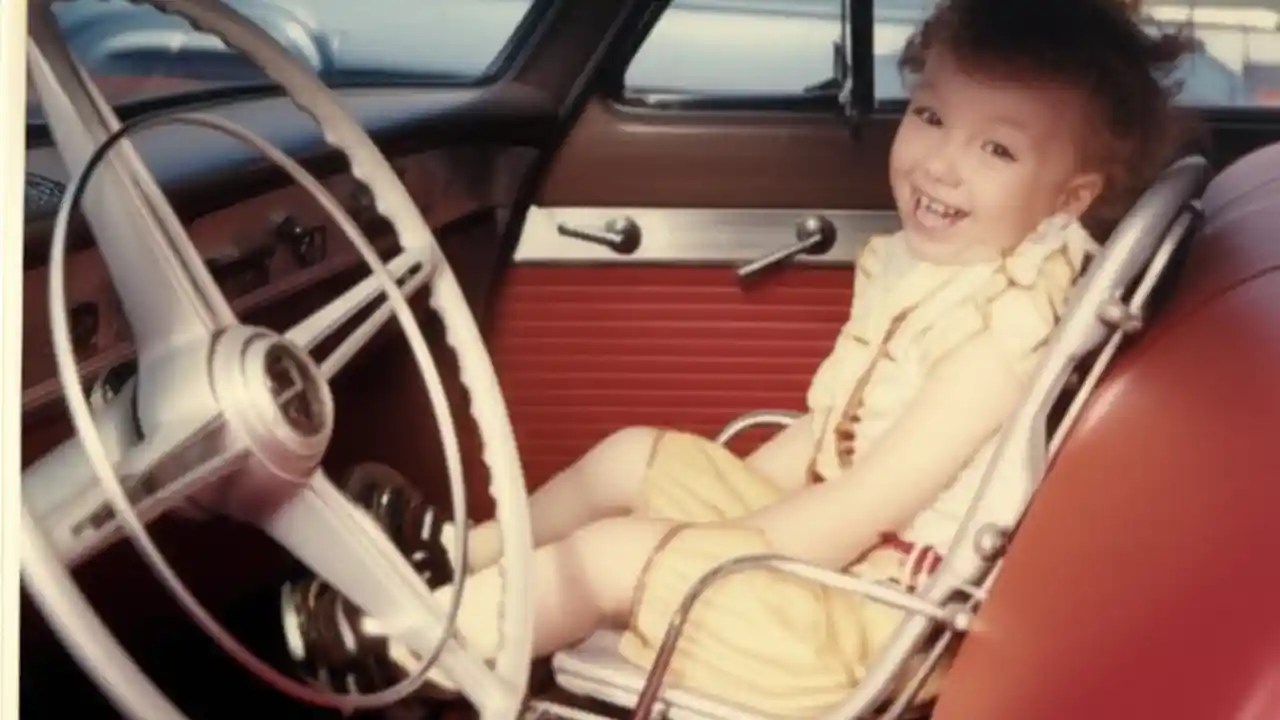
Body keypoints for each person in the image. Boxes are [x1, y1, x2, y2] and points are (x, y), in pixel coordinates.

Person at [280, 0, 1200, 714]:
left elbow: (857, 511)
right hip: (832, 565)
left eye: (995, 147)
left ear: (1068, 198)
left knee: (612, 558)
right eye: (930, 116)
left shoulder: (999, 343)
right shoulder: (933, 273)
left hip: (852, 629)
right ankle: (462, 559)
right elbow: (831, 435)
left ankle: (415, 648)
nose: (938, 164)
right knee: (637, 454)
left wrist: (696, 550)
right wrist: (714, 493)